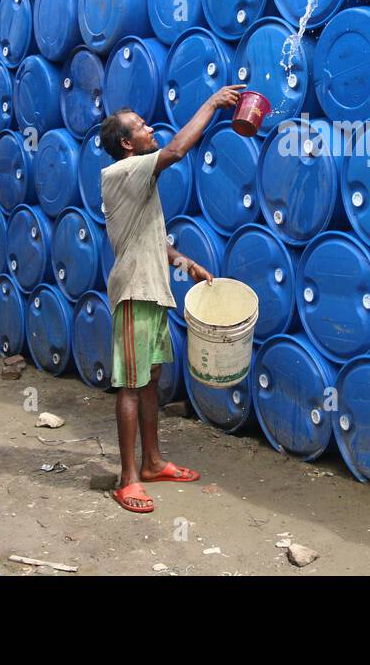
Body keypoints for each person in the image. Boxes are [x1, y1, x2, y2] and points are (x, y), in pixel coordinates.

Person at [98, 84, 246, 514]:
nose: (150, 128)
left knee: (150, 382)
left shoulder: (139, 177)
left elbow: (153, 240)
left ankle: (153, 463)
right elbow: (179, 150)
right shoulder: (122, 172)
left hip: (155, 290)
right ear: (128, 144)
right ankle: (127, 480)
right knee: (129, 384)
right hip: (133, 293)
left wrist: (187, 265)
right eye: (142, 127)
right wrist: (213, 103)